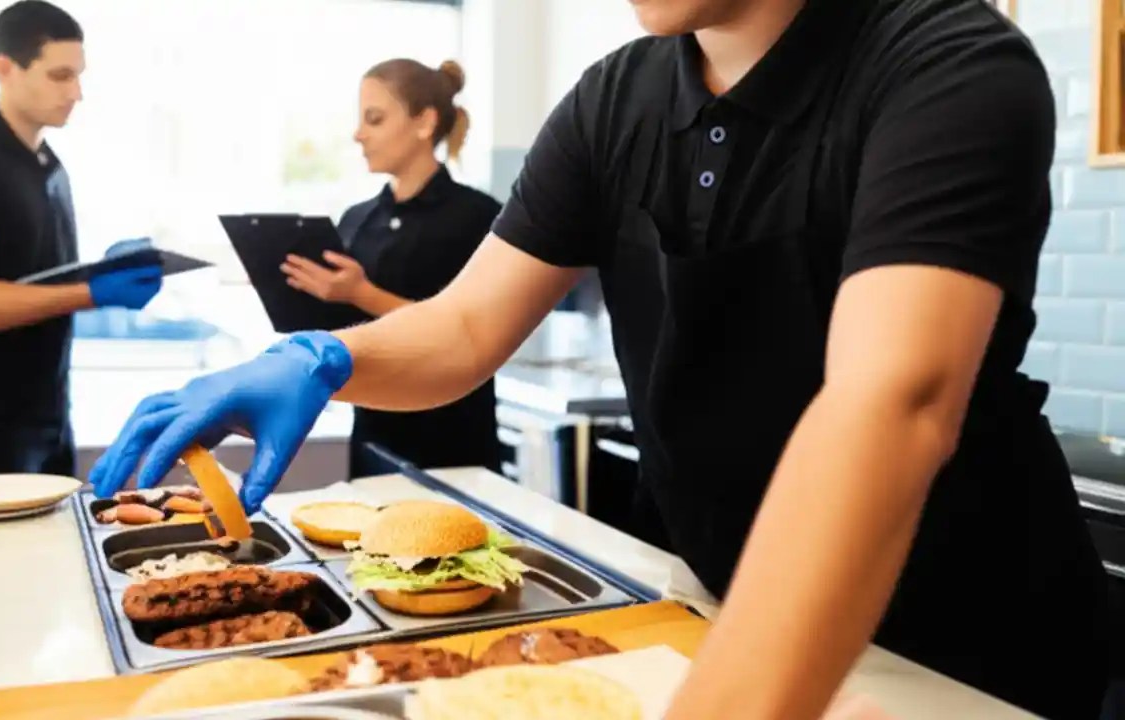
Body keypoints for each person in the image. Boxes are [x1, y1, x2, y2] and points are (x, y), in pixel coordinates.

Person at [90, 0, 1110, 717]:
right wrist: (320, 356)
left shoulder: (942, 62)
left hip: (960, 647)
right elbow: (460, 331)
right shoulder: (613, 101)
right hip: (720, 602)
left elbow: (890, 402)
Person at [0, 0, 162, 480]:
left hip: (49, 420)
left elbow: (31, 278)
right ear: (6, 69)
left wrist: (105, 270)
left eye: (78, 76)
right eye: (60, 75)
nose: (77, 93)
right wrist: (92, 293)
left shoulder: (51, 166)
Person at [278, 59, 502, 479]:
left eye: (374, 119)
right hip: (373, 434)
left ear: (424, 123)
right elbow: (345, 326)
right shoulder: (356, 218)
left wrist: (361, 293)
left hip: (453, 443)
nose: (358, 134)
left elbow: (468, 333)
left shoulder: (478, 217)